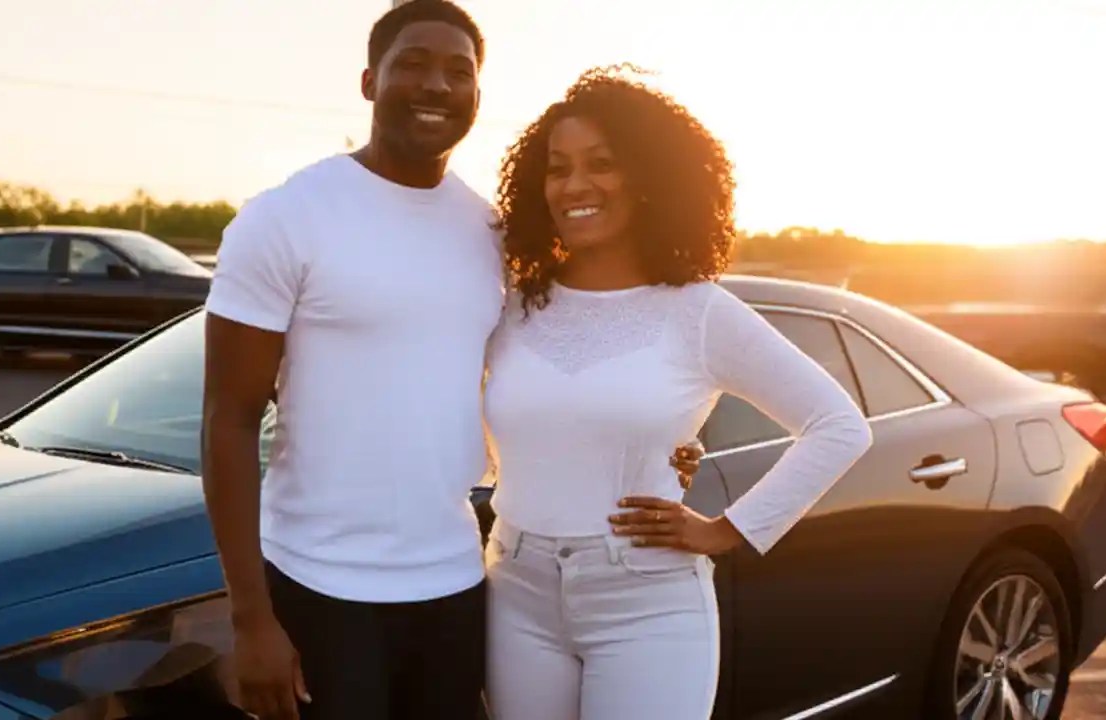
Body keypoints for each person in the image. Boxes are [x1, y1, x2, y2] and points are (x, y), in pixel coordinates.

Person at [199, 4, 700, 719]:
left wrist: (655, 441)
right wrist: (251, 619)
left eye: (457, 72)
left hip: (455, 585)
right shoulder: (285, 217)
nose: (436, 85)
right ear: (369, 81)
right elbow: (229, 417)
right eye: (412, 64)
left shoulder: (493, 232)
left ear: (476, 95)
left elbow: (549, 368)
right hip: (317, 584)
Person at [481, 65, 875, 720]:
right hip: (515, 590)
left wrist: (728, 530)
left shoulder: (698, 311)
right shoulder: (513, 305)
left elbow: (838, 425)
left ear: (649, 179)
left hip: (645, 605)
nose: (575, 185)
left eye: (601, 164)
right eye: (558, 168)